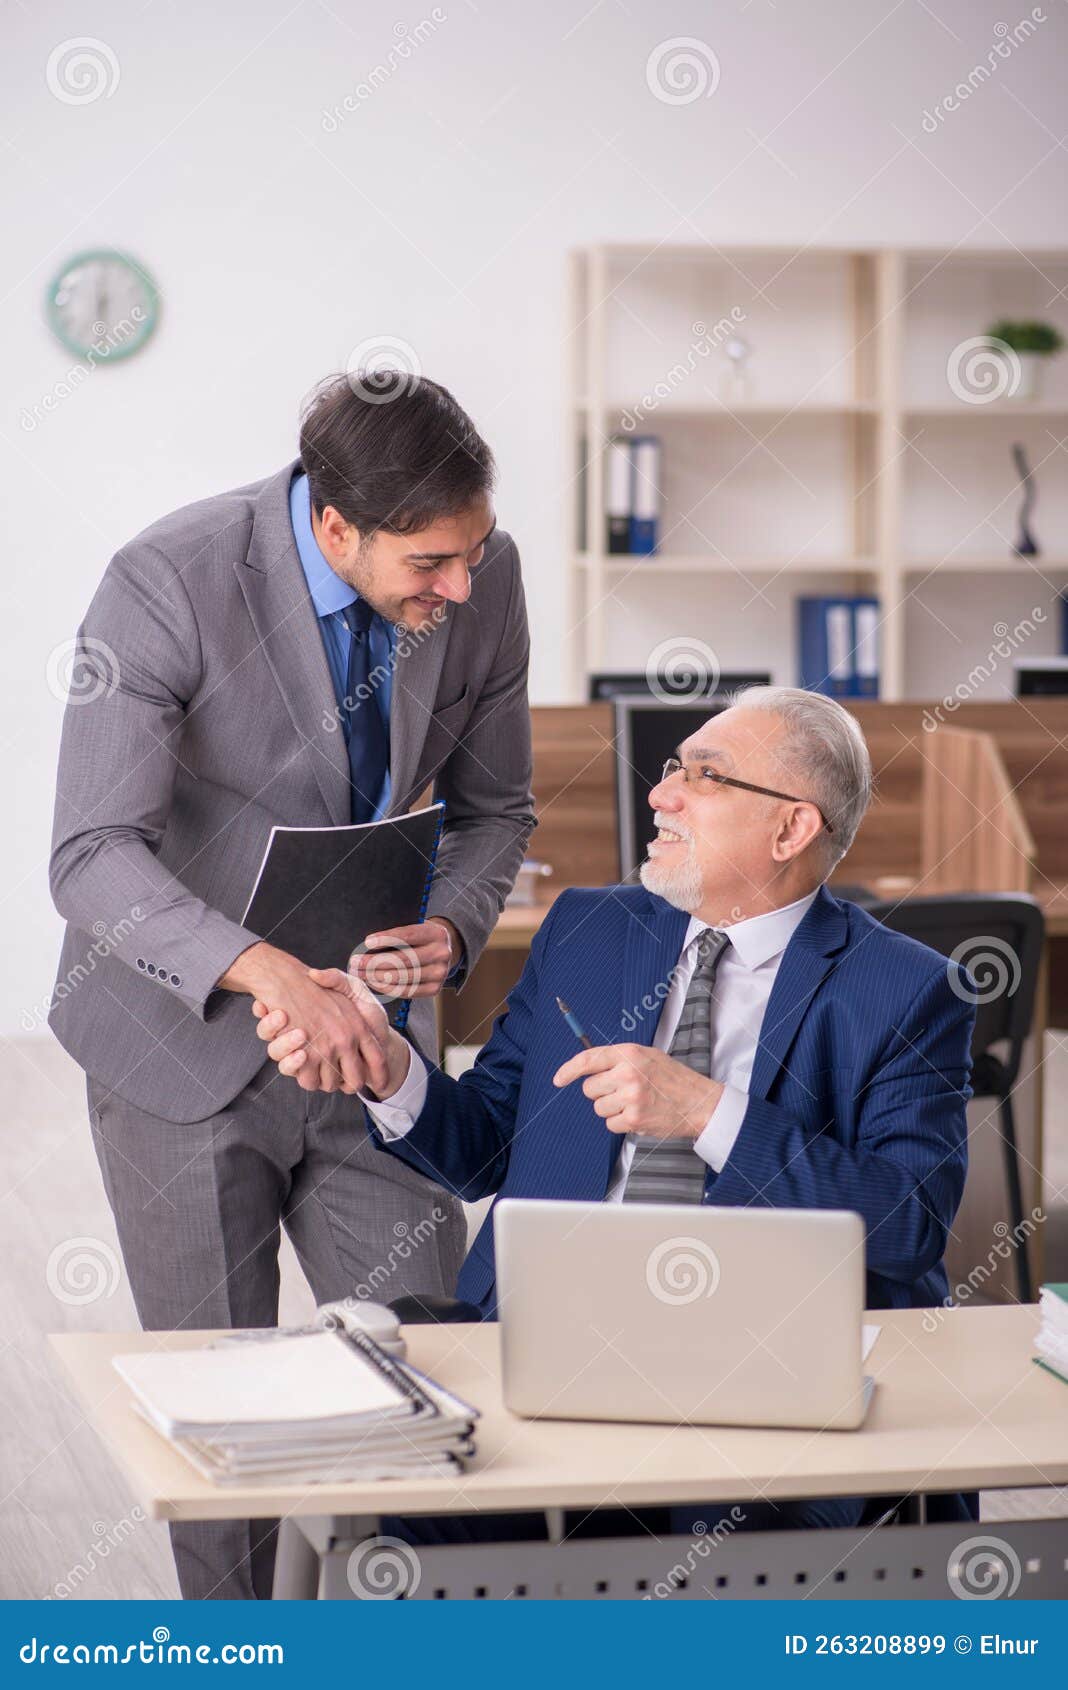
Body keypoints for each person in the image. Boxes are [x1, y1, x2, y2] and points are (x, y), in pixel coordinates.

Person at [256, 685, 976, 1536]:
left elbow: (907, 1225)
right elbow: (488, 1148)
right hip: (545, 1346)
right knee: (403, 1527)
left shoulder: (903, 987)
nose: (660, 794)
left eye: (705, 777)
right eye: (674, 766)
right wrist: (390, 1070)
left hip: (759, 1365)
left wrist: (707, 1112)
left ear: (792, 829)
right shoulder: (590, 929)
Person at [48, 371, 535, 1599]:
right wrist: (265, 971)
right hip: (181, 1048)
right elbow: (90, 854)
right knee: (231, 1423)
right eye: (433, 561)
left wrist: (451, 926)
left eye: (473, 552)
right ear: (335, 526)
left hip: (375, 1054)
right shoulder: (167, 580)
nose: (462, 586)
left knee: (434, 1382)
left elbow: (495, 810)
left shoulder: (483, 574)